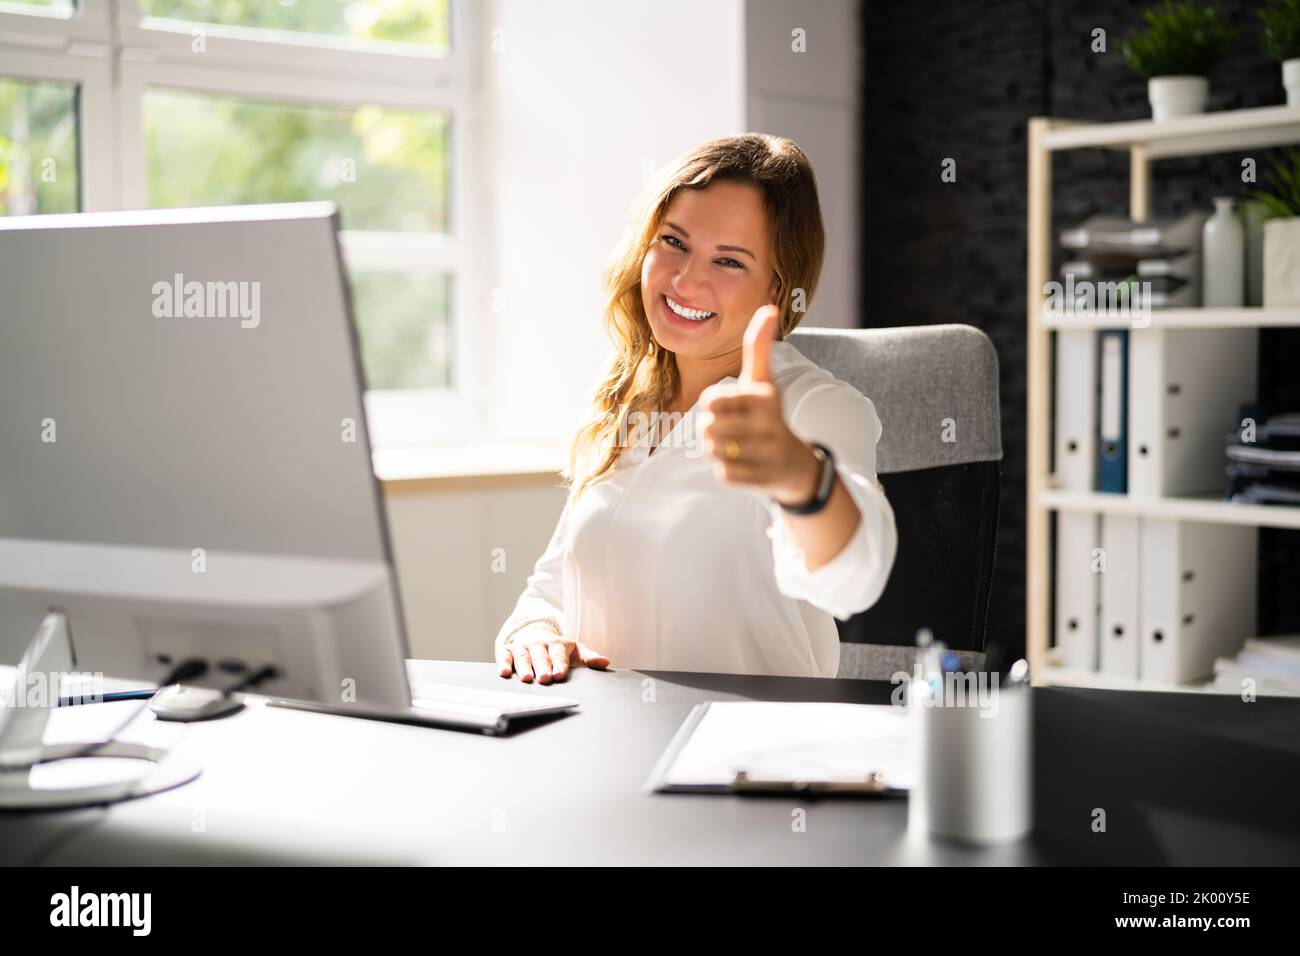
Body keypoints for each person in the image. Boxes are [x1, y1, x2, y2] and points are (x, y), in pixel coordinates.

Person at [495, 133, 897, 683]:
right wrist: (534, 631)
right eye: (674, 242)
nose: (685, 279)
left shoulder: (818, 407)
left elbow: (854, 576)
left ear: (777, 290)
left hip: (743, 754)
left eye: (729, 261)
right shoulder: (629, 394)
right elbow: (550, 588)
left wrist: (802, 478)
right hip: (608, 740)